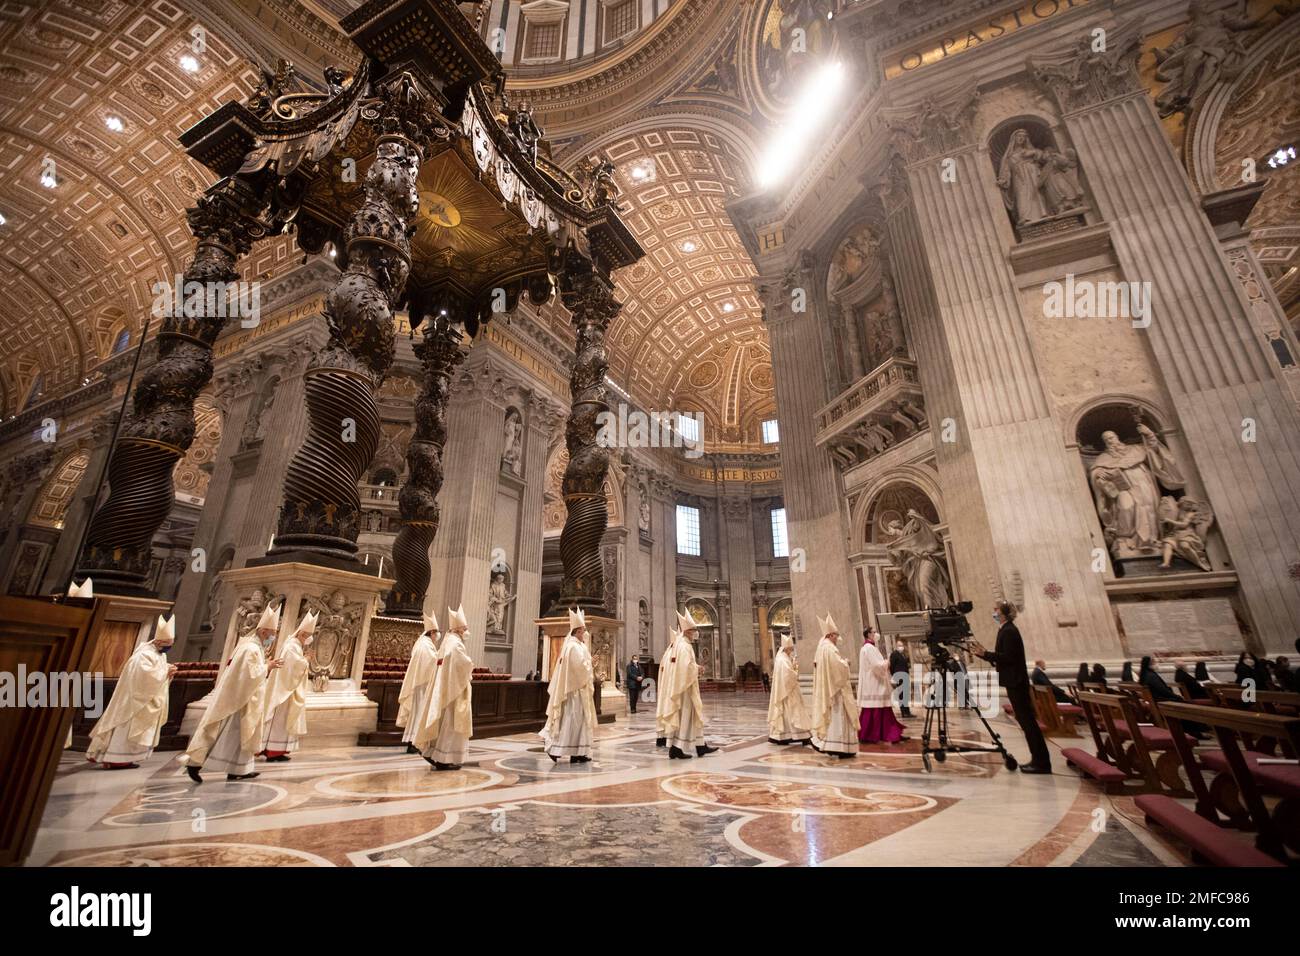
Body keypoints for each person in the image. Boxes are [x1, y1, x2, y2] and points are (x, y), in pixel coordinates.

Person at [183, 602, 283, 784]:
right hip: (238, 700)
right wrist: (267, 666)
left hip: (246, 699)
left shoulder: (254, 646)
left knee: (241, 735)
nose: (273, 637)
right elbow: (249, 674)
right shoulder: (250, 648)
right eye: (272, 633)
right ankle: (195, 763)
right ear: (262, 632)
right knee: (226, 734)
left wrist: (265, 665)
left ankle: (240, 769)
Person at [86, 614, 177, 769]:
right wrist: (164, 672)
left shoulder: (159, 653)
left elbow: (157, 671)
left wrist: (167, 670)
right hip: (133, 701)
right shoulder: (143, 654)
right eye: (168, 643)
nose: (169, 646)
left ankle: (125, 759)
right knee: (125, 729)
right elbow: (143, 677)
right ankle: (115, 758)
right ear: (160, 641)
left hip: (145, 699)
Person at [970, 602, 1051, 774]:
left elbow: (1007, 657)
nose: (994, 612)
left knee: (1028, 722)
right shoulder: (1005, 630)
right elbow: (1002, 657)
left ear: (1004, 614)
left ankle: (1041, 762)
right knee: (1025, 721)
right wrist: (985, 655)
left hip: (1016, 681)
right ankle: (1039, 760)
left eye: (996, 610)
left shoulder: (1009, 631)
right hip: (1013, 680)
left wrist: (987, 654)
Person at [414, 604, 475, 770]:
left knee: (443, 723)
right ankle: (444, 756)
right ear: (458, 629)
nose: (467, 630)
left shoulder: (447, 641)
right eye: (465, 628)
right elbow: (462, 663)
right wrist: (470, 666)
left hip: (446, 686)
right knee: (450, 723)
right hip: (453, 690)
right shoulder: (455, 644)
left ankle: (434, 753)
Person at [541, 608, 597, 763]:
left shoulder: (579, 645)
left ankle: (579, 752)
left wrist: (590, 663)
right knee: (571, 721)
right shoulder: (572, 646)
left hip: (580, 690)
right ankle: (555, 749)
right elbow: (578, 668)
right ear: (577, 631)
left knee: (579, 722)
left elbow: (583, 665)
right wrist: (590, 663)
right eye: (583, 630)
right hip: (574, 691)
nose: (585, 633)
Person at [259, 610, 316, 761]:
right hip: (284, 690)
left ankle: (278, 750)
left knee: (284, 720)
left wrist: (303, 659)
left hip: (288, 688)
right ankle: (272, 750)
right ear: (301, 634)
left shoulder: (294, 645)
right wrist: (307, 659)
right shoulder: (292, 646)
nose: (306, 641)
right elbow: (293, 666)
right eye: (306, 636)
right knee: (279, 720)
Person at [662, 609, 718, 759]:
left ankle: (700, 746)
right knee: (686, 716)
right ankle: (677, 748)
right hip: (685, 688)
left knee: (694, 716)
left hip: (686, 686)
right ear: (687, 631)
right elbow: (685, 667)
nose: (695, 633)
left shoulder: (681, 644)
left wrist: (694, 668)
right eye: (694, 630)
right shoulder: (685, 646)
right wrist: (697, 668)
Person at [810, 613, 858, 759]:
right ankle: (839, 746)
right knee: (839, 716)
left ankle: (831, 745)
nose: (838, 638)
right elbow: (837, 667)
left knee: (833, 717)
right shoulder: (830, 648)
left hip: (830, 688)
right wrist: (846, 663)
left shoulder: (822, 647)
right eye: (836, 635)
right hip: (836, 690)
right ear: (830, 635)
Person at [397, 612, 440, 754]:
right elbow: (431, 662)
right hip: (422, 685)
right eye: (437, 633)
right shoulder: (425, 645)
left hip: (420, 684)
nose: (437, 636)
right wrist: (441, 660)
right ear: (432, 632)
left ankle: (413, 741)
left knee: (417, 714)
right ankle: (414, 742)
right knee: (419, 714)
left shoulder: (422, 643)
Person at [858, 629, 906, 744]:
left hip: (873, 682)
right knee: (876, 708)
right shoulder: (869, 648)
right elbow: (876, 665)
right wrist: (887, 662)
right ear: (869, 635)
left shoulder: (868, 648)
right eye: (874, 632)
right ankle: (875, 734)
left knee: (880, 708)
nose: (876, 634)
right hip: (874, 683)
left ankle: (883, 732)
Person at [767, 634, 811, 745]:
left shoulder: (782, 658)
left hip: (786, 690)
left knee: (788, 713)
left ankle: (783, 735)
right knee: (792, 712)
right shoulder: (783, 660)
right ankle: (797, 735)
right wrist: (795, 671)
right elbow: (788, 675)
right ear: (786, 648)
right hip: (787, 691)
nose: (791, 651)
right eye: (790, 649)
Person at [654, 626, 678, 748]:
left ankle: (661, 738)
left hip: (665, 690)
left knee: (664, 711)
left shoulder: (667, 652)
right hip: (671, 689)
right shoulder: (674, 653)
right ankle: (669, 738)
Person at [889, 638, 913, 717]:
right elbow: (892, 667)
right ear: (896, 646)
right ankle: (904, 712)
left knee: (905, 694)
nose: (901, 647)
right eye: (899, 645)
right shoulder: (894, 654)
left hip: (905, 676)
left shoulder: (903, 654)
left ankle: (907, 711)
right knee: (902, 695)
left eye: (902, 645)